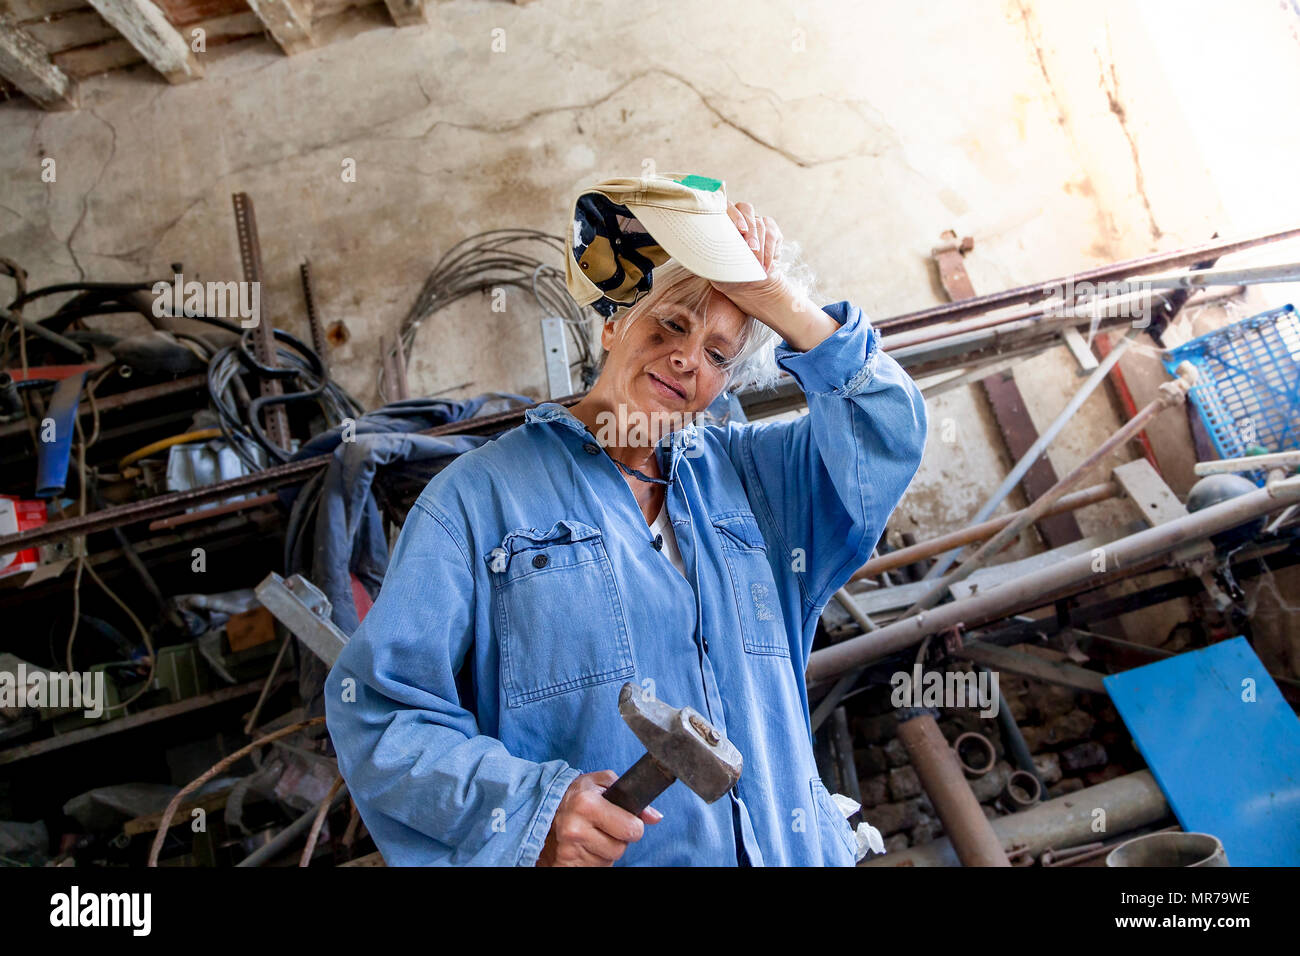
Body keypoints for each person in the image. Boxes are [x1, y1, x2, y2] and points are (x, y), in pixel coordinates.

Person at [325, 182, 928, 866]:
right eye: (670, 324)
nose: (686, 359)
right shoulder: (477, 501)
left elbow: (886, 428)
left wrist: (769, 293)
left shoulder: (758, 480)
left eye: (718, 354)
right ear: (613, 324)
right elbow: (379, 715)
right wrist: (532, 810)